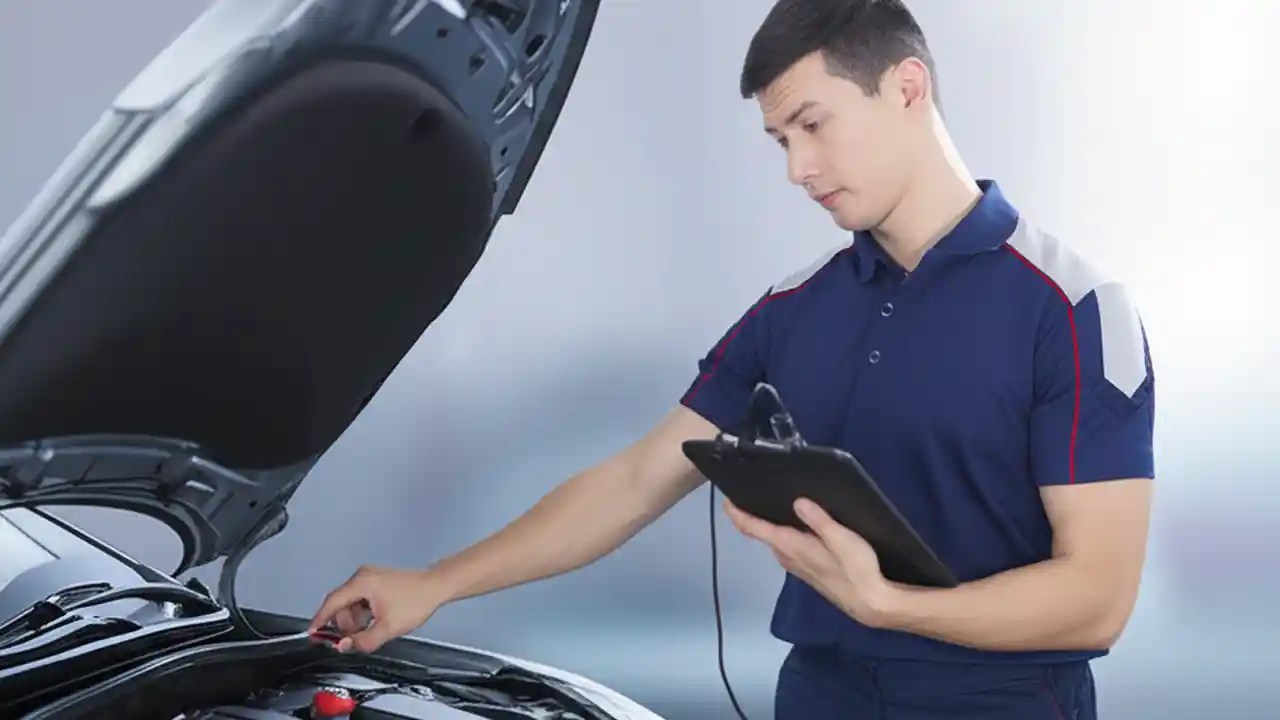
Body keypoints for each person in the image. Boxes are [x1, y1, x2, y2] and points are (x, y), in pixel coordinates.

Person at [309, 1, 1156, 717]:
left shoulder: (1074, 308)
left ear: (907, 88)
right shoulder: (791, 309)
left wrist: (891, 607)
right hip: (817, 695)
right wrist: (433, 583)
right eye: (779, 138)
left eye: (813, 125)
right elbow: (638, 478)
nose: (797, 168)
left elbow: (1098, 599)